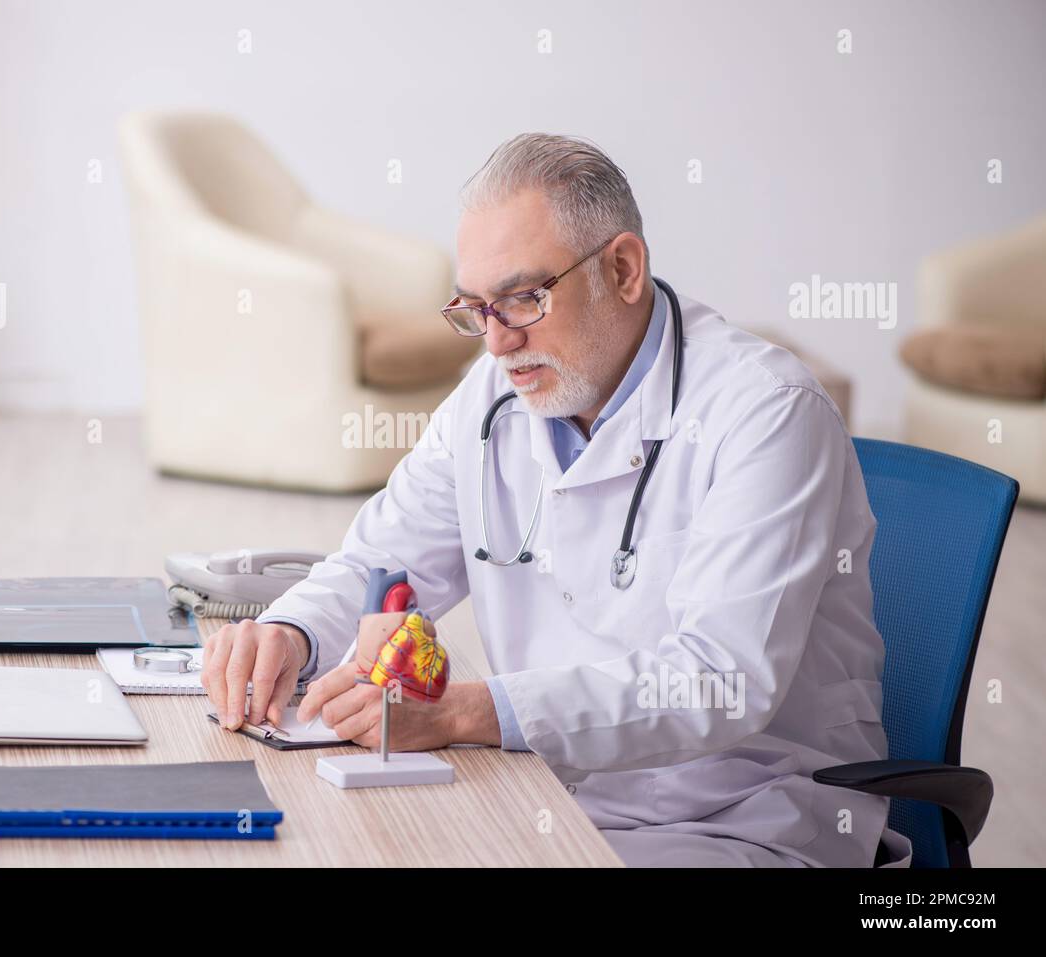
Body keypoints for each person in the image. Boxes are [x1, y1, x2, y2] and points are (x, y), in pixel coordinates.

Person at [201, 133, 911, 868]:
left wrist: (472, 711)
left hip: (737, 817)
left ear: (623, 268)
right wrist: (291, 633)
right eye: (476, 308)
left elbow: (718, 678)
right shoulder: (492, 400)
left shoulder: (764, 411)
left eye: (523, 299)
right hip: (541, 795)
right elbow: (381, 557)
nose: (498, 342)